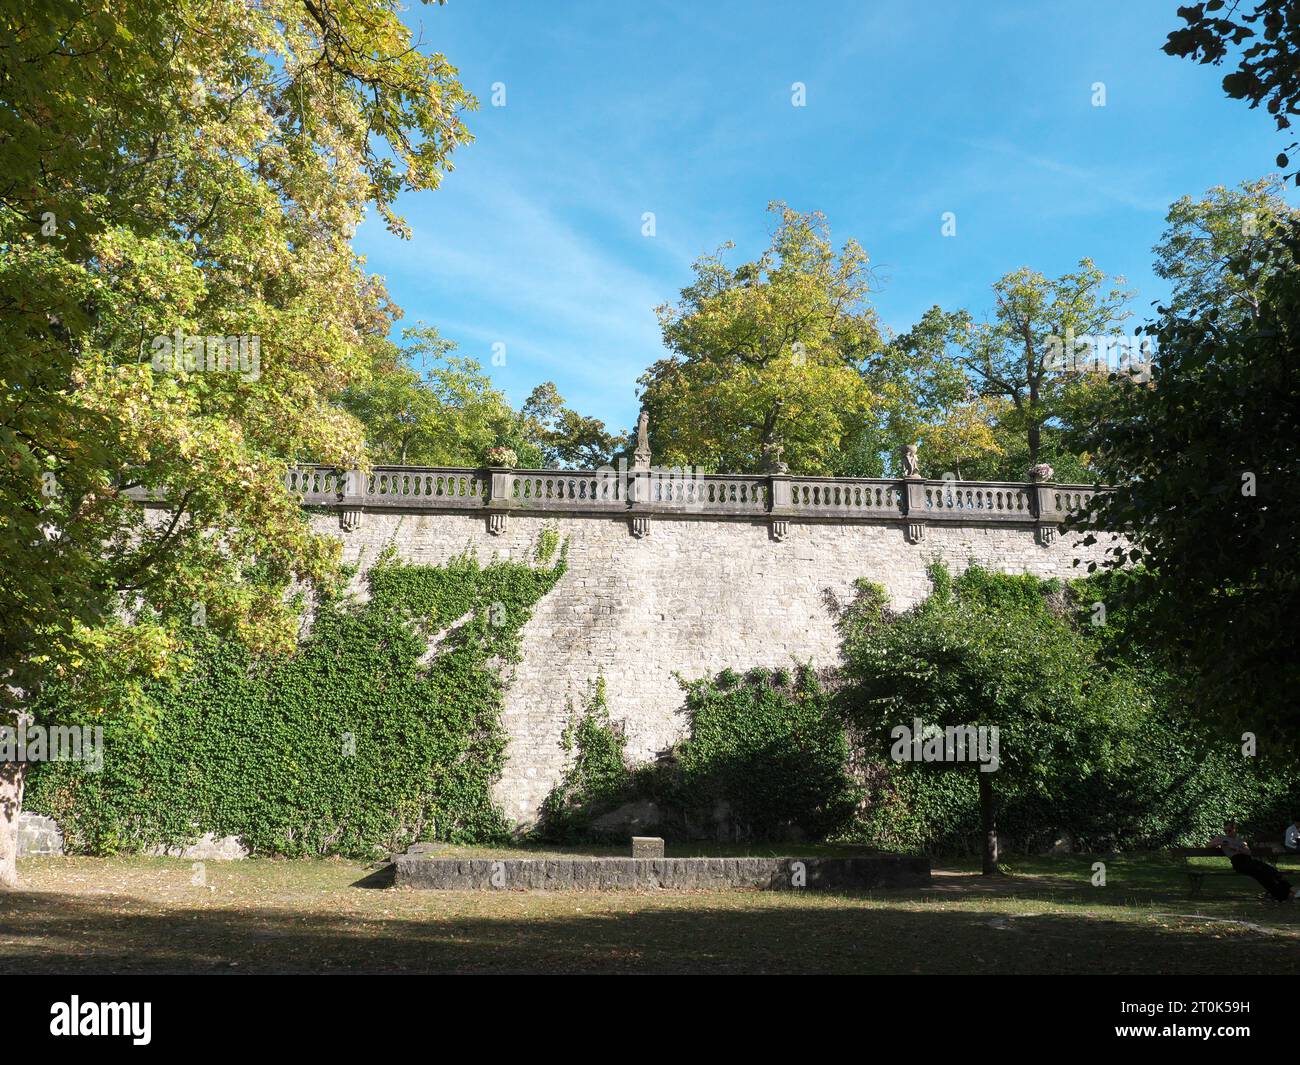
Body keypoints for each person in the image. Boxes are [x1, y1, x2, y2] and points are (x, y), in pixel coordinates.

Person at [1210, 822, 1295, 902]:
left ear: (1235, 829)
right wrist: (1221, 843)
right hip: (1238, 862)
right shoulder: (1221, 837)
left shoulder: (1240, 839)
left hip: (1248, 860)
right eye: (1225, 831)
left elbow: (1248, 852)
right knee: (1261, 873)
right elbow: (1209, 845)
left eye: (1229, 830)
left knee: (1267, 870)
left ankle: (1286, 890)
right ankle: (1284, 893)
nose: (1227, 833)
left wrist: (1237, 848)